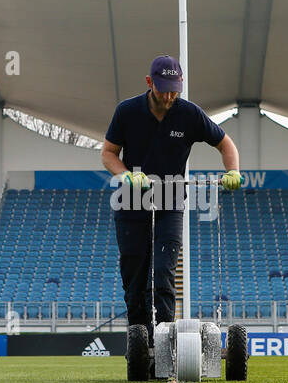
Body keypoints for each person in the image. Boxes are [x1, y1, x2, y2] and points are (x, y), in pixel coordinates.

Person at [101, 55, 242, 340]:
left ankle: (165, 342)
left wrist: (233, 171)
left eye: (174, 90)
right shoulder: (127, 111)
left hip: (171, 200)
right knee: (135, 279)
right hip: (132, 201)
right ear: (149, 82)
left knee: (164, 273)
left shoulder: (189, 114)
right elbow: (108, 153)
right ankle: (139, 343)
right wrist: (127, 175)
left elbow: (225, 144)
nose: (168, 96)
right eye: (163, 89)